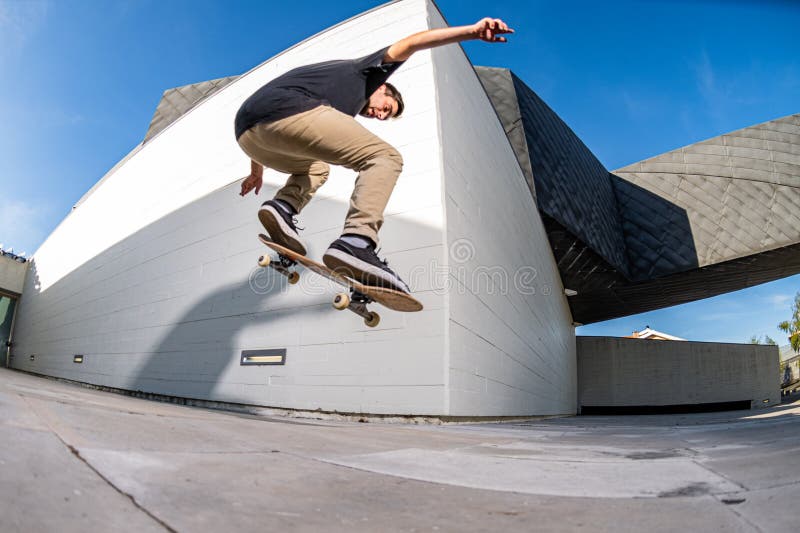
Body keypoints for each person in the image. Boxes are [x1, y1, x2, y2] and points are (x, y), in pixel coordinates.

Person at [236, 17, 513, 293]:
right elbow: (412, 43)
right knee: (385, 158)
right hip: (289, 111)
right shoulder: (367, 73)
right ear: (383, 89)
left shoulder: (333, 101)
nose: (378, 115)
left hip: (249, 132)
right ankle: (356, 242)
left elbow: (268, 120)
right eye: (385, 108)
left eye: (383, 117)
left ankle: (281, 207)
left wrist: (256, 172)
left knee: (317, 167)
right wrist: (472, 32)